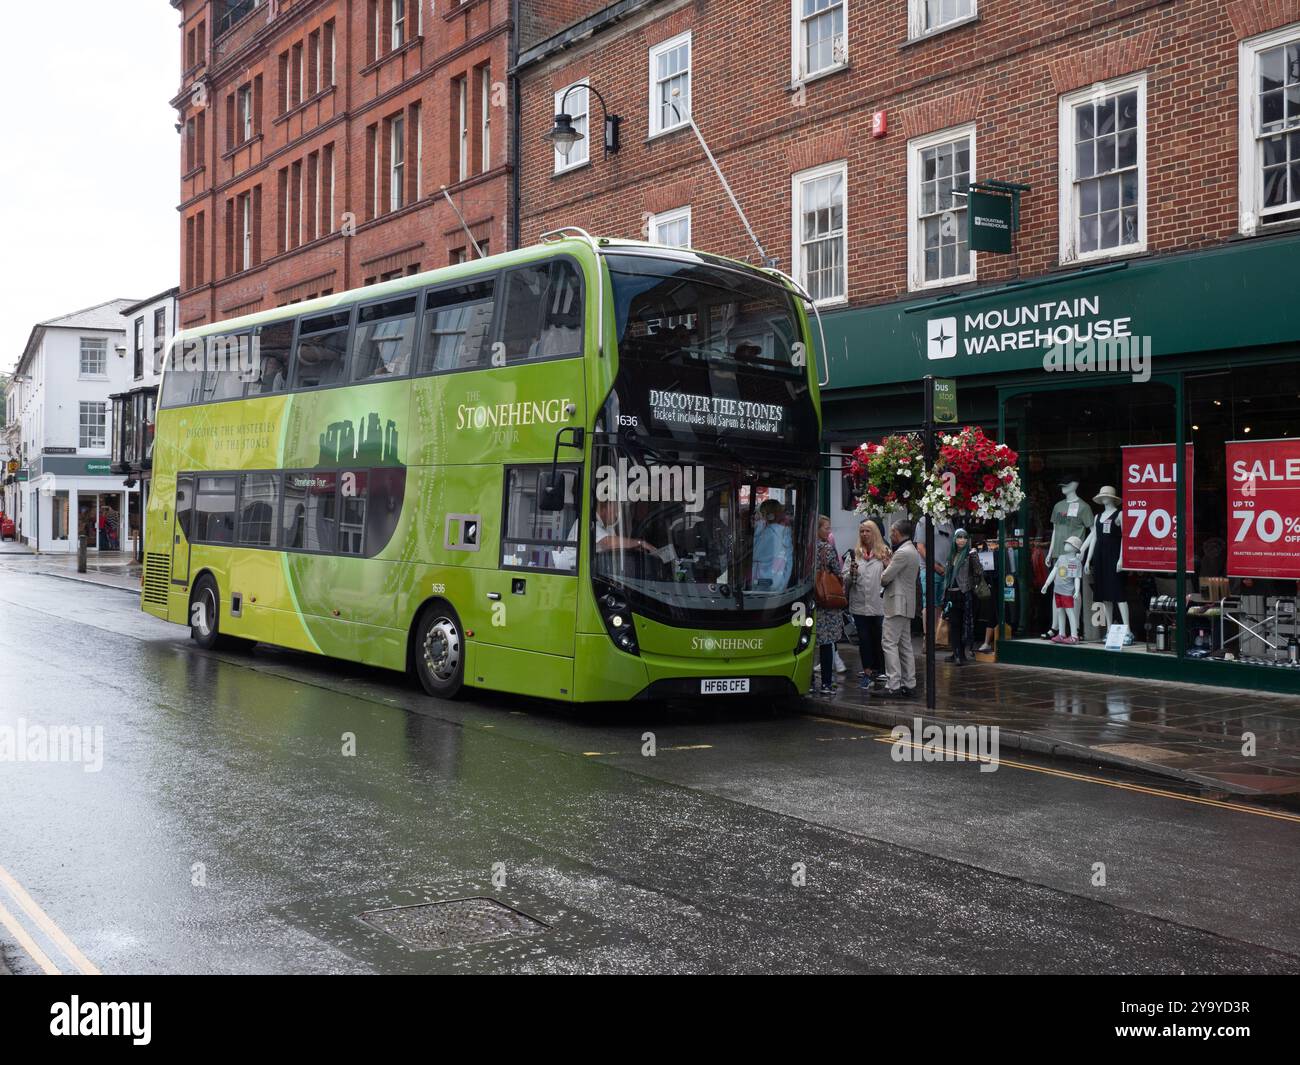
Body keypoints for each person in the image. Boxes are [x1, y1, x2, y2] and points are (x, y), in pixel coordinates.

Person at [874, 518, 920, 698]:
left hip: (897, 603)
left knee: (889, 642)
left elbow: (885, 578)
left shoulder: (902, 552)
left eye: (892, 532)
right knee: (904, 645)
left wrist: (886, 565)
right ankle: (909, 683)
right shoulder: (911, 550)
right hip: (906, 604)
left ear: (898, 533)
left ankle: (893, 684)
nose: (891, 535)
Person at [846, 518, 890, 688]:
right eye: (862, 531)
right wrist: (850, 574)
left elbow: (890, 576)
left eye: (868, 531)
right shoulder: (854, 554)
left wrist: (887, 566)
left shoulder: (885, 552)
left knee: (879, 638)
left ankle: (880, 669)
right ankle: (867, 671)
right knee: (864, 640)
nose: (864, 534)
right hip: (859, 605)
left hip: (878, 605)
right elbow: (846, 580)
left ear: (874, 533)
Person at [812, 515, 845, 694]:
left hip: (809, 600)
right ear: (817, 529)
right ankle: (825, 683)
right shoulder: (826, 548)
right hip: (825, 600)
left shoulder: (804, 547)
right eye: (826, 528)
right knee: (826, 644)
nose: (829, 531)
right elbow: (838, 572)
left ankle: (808, 681)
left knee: (809, 643)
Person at [942, 528, 983, 665]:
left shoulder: (970, 554)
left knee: (965, 625)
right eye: (959, 537)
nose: (962, 540)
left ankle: (960, 653)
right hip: (951, 593)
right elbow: (948, 574)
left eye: (965, 537)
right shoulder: (952, 554)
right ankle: (956, 653)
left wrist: (970, 586)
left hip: (964, 593)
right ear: (954, 539)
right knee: (954, 624)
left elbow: (978, 572)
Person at [751, 498, 792, 592]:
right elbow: (789, 562)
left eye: (761, 513)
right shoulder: (785, 533)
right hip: (778, 582)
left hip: (760, 583)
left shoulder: (765, 533)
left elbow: (755, 555)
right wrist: (783, 584)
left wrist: (759, 528)